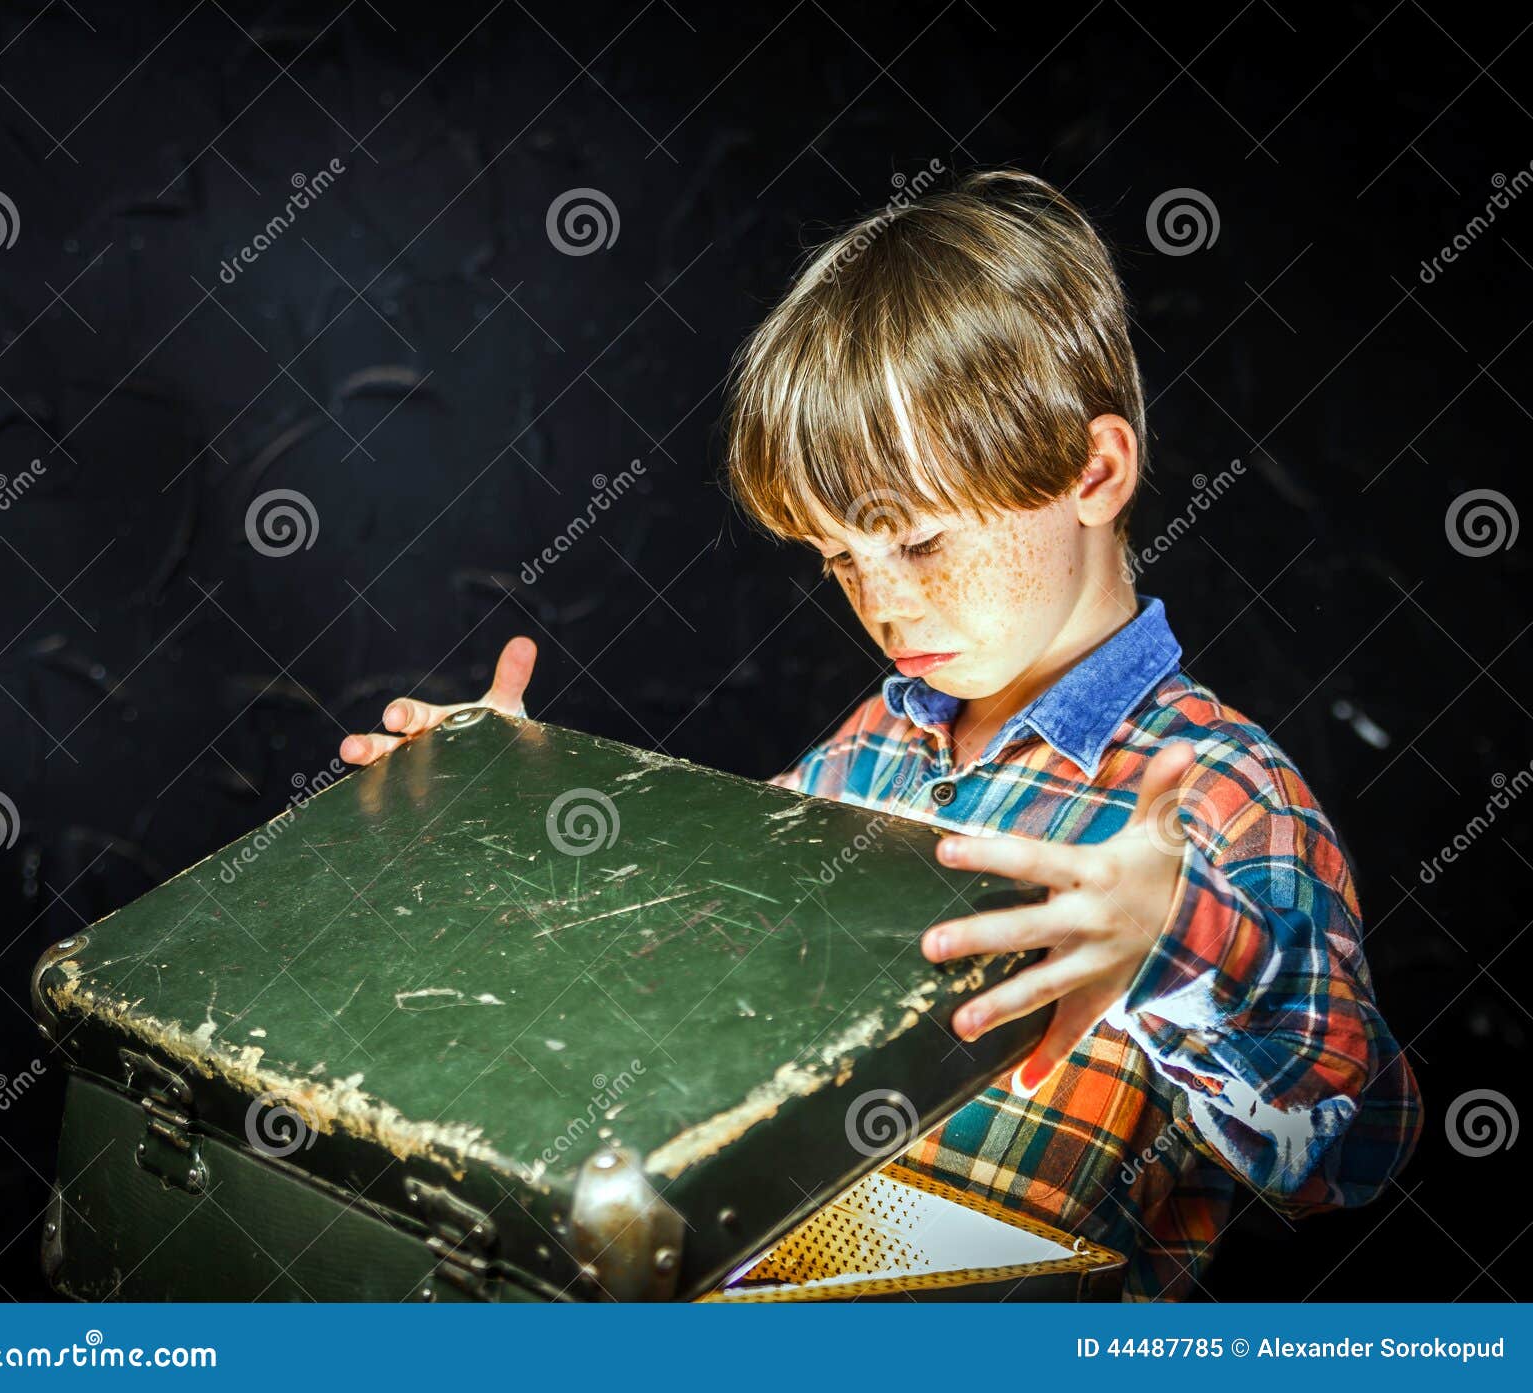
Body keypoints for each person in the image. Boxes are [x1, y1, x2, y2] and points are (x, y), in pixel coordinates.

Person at [337, 169, 1422, 1300]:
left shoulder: (1225, 793)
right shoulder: (861, 753)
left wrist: (1188, 948)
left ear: (1094, 472)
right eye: (838, 558)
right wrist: (504, 815)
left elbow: (1350, 1159)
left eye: (919, 543)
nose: (884, 603)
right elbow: (682, 980)